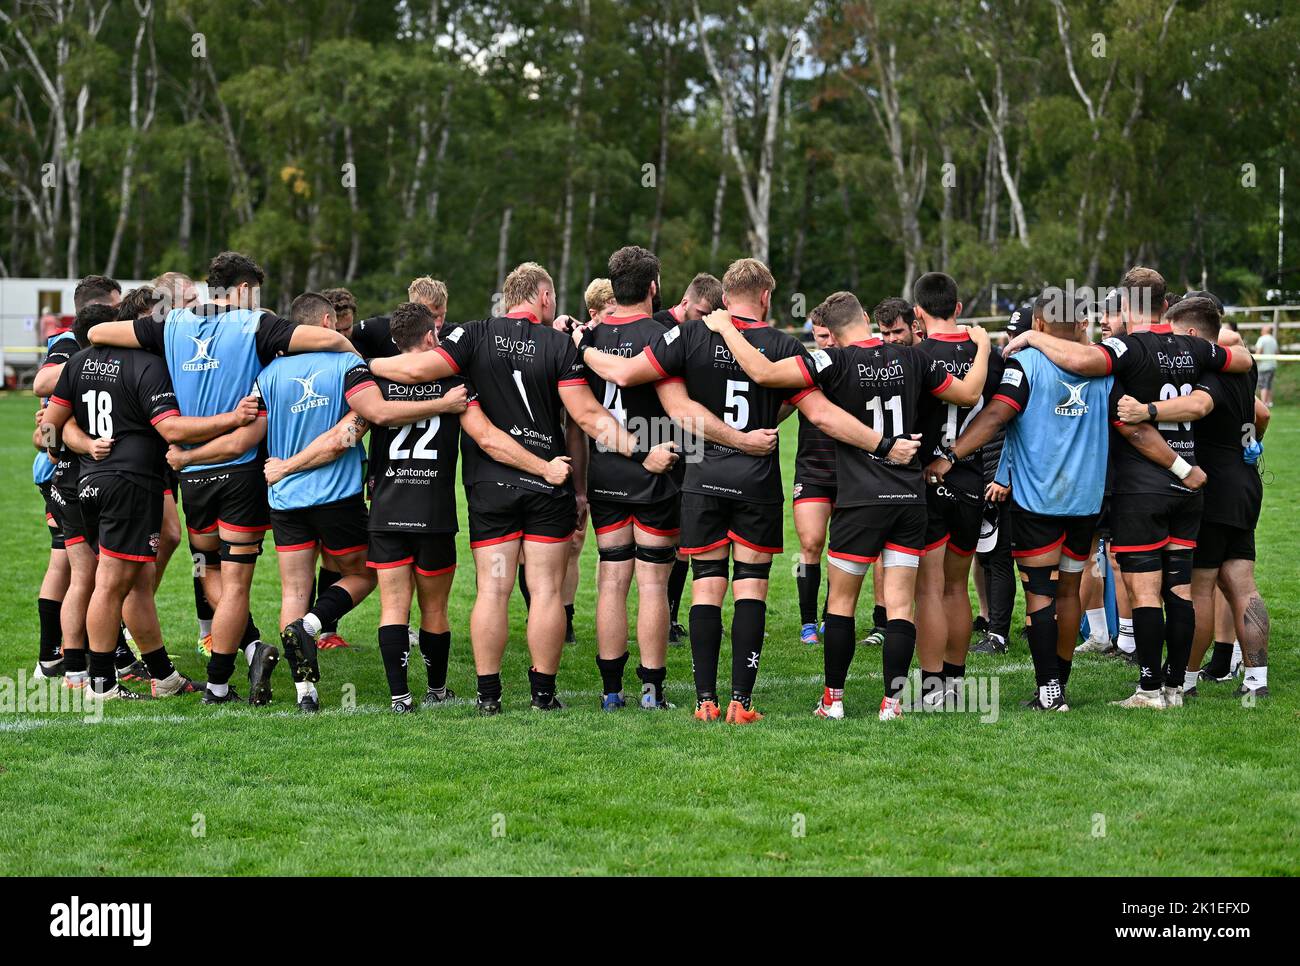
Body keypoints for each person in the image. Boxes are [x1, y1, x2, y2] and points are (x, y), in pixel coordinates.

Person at [369, 262, 674, 714]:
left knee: (493, 590)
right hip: (546, 482)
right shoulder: (556, 344)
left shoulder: (471, 334)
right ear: (544, 298)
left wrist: (367, 363)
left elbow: (417, 371)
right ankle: (542, 695)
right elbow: (589, 417)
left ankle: (488, 696)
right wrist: (640, 451)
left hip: (491, 483)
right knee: (547, 591)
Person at [88, 250, 356, 706]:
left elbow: (96, 331)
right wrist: (353, 353)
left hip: (191, 475)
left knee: (208, 567)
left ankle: (247, 651)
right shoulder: (257, 324)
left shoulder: (172, 325)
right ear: (245, 289)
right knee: (236, 583)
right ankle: (217, 685)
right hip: (240, 471)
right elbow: (328, 341)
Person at [717, 291, 981, 720]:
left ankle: (833, 701)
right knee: (900, 605)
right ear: (864, 316)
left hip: (860, 499)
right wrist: (984, 345)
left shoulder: (833, 361)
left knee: (841, 603)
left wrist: (726, 326)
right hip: (910, 497)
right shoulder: (911, 357)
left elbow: (764, 372)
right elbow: (968, 393)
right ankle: (891, 704)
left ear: (832, 334)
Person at [1001, 272, 1253, 708]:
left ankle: (1150, 689)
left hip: (1143, 487)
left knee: (1144, 592)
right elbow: (1241, 361)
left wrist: (1034, 338)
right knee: (1180, 589)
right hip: (1188, 486)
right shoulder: (1194, 348)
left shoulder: (1126, 349)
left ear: (1129, 306)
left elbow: (1083, 365)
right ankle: (1176, 686)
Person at [43, 303, 258, 700]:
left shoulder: (78, 363)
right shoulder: (145, 365)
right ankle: (102, 683)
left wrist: (72, 450)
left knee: (136, 584)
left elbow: (50, 427)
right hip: (131, 484)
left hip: (88, 484)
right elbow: (171, 426)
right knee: (109, 585)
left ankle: (163, 675)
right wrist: (234, 417)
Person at [1113, 296, 1271, 699]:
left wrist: (1147, 410)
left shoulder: (1207, 372)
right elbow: (1262, 415)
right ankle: (1256, 681)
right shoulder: (1239, 363)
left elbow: (1199, 405)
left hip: (1213, 484)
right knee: (1242, 584)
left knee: (1196, 589)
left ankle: (1183, 679)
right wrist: (1252, 442)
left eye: (1180, 335)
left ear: (1194, 335)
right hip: (1246, 481)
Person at [576, 248, 681, 710]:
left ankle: (611, 692)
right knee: (654, 584)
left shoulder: (590, 335)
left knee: (612, 580)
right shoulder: (667, 335)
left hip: (605, 467)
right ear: (653, 286)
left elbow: (576, 414)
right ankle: (651, 692)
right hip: (655, 464)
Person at [910, 272, 996, 707]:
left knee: (928, 588)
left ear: (918, 314)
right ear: (959, 309)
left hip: (927, 479)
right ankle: (957, 683)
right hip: (969, 480)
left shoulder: (917, 355)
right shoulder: (989, 356)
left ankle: (930, 689)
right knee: (956, 588)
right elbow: (998, 414)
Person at [791, 306, 838, 646]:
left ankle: (830, 616)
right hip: (813, 469)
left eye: (833, 334)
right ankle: (807, 621)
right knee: (810, 545)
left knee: (842, 549)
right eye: (822, 336)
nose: (829, 341)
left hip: (853, 471)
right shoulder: (809, 368)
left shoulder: (855, 366)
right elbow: (779, 407)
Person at [352, 277, 450, 360]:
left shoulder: (455, 335)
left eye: (442, 315)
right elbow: (342, 334)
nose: (438, 323)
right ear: (414, 309)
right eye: (433, 316)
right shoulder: (380, 328)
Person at [653, 272, 724, 327]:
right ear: (685, 304)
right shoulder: (655, 323)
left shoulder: (705, 332)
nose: (705, 319)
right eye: (702, 313)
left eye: (709, 315)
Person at [1254, 324, 1278, 408]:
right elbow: (1276, 352)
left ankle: (1264, 403)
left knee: (1263, 385)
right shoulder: (1273, 339)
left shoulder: (1261, 339)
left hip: (1263, 366)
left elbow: (1259, 351)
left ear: (1264, 331)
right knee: (1269, 384)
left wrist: (1254, 362)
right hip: (1272, 365)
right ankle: (1269, 402)